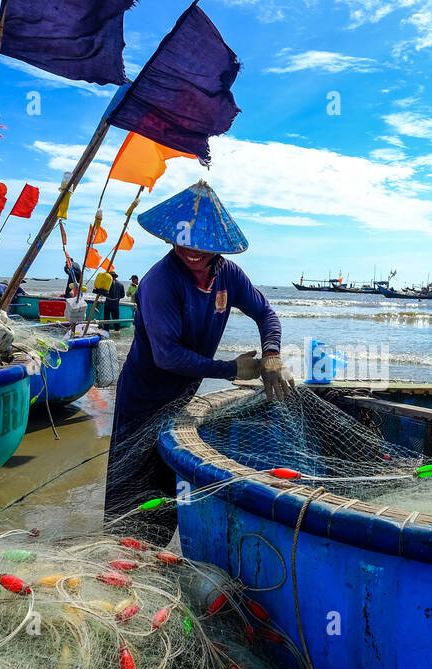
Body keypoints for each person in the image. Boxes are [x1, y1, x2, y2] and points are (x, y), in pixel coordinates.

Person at [103, 181, 294, 537]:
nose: (192, 251)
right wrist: (229, 369)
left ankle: (158, 549)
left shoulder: (228, 275)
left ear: (218, 245)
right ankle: (119, 551)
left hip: (181, 397)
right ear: (170, 237)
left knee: (168, 486)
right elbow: (167, 356)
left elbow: (266, 313)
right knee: (131, 489)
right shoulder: (161, 282)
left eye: (203, 245)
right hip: (143, 398)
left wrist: (271, 354)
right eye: (184, 242)